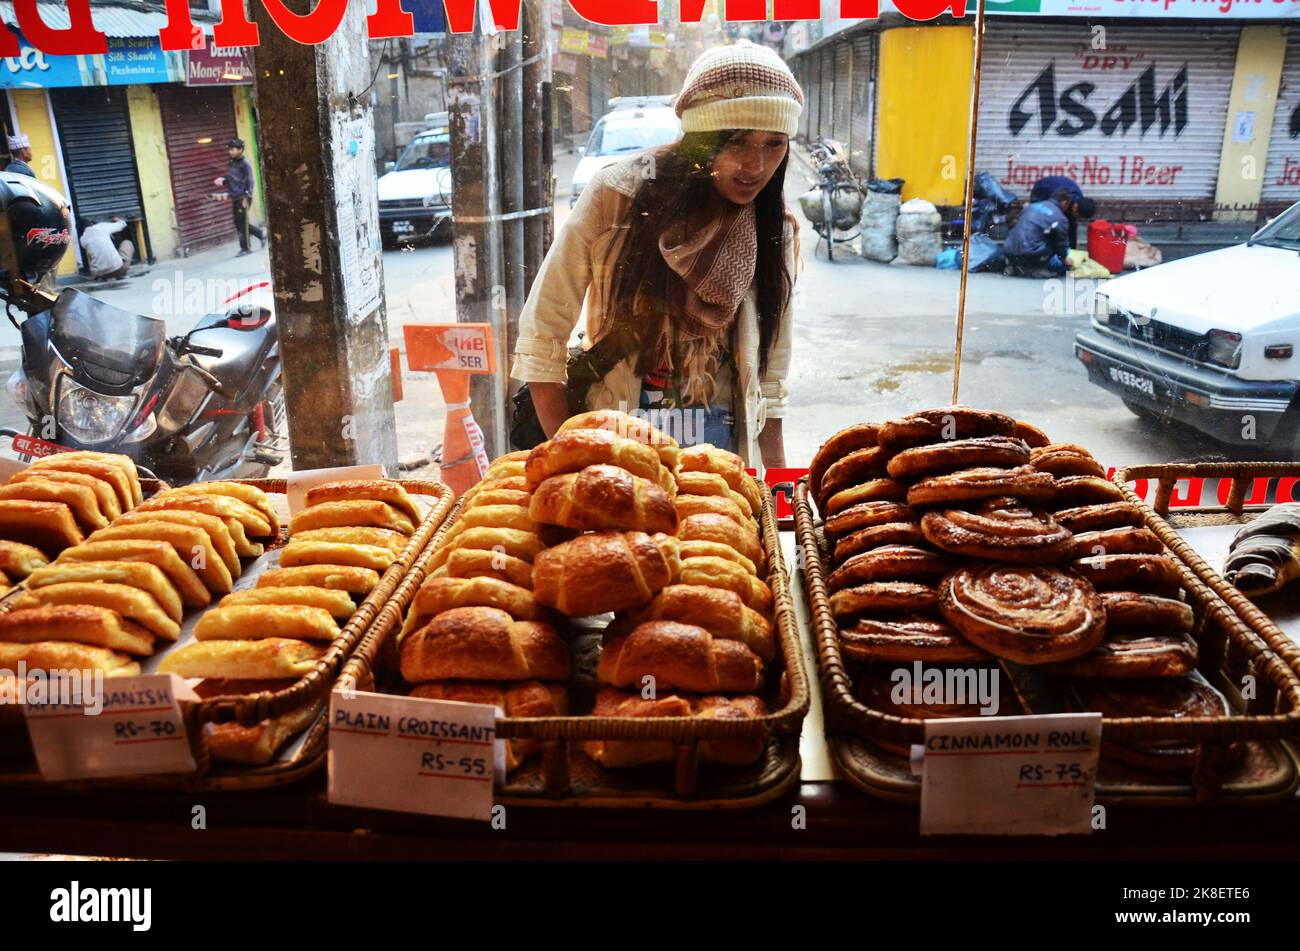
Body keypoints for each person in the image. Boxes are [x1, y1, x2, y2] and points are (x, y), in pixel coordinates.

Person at [511, 41, 801, 469]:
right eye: (737, 141)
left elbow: (772, 375)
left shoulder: (773, 224)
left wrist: (776, 487)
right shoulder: (619, 195)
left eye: (774, 144)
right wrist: (572, 460)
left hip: (721, 450)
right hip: (620, 439)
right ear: (701, 140)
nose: (756, 165)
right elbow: (542, 335)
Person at [1004, 188, 1077, 277]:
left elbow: (1014, 224)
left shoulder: (1031, 206)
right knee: (1054, 240)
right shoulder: (1060, 217)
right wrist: (1065, 260)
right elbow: (1061, 244)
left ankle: (1014, 266)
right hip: (1029, 254)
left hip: (1009, 250)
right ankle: (1034, 269)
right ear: (1065, 203)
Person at [215, 137, 265, 257]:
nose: (230, 152)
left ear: (240, 150)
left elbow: (250, 181)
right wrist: (224, 181)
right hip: (235, 196)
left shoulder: (244, 164)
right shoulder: (232, 163)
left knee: (241, 223)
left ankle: (246, 248)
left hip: (243, 197)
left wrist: (247, 196)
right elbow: (232, 179)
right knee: (239, 223)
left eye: (233, 149)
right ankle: (261, 234)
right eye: (229, 149)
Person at [1028, 175, 1095, 250]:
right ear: (1075, 208)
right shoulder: (1059, 199)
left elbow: (1072, 227)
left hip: (1055, 189)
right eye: (1078, 216)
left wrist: (1072, 250)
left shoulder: (1078, 201)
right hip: (1041, 192)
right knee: (1042, 222)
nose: (1077, 218)